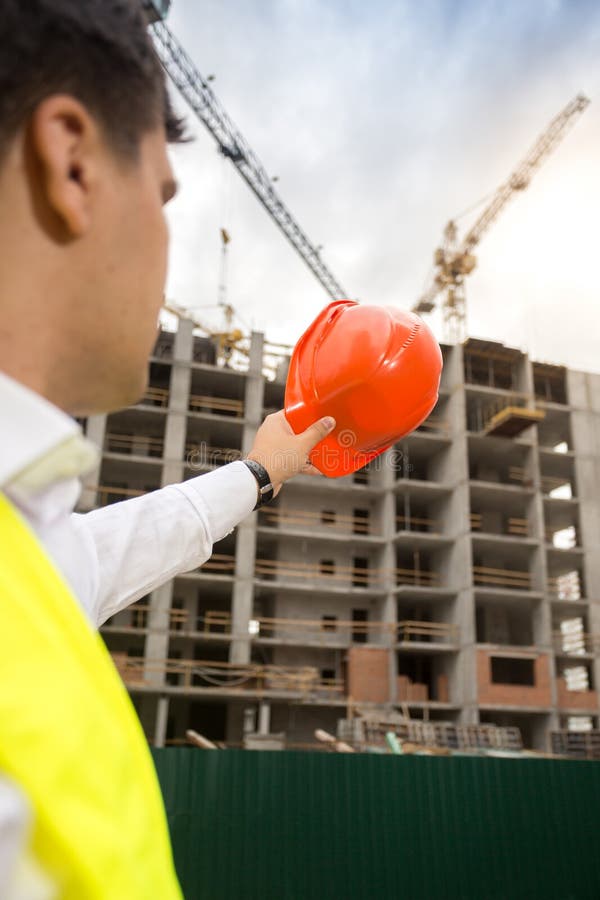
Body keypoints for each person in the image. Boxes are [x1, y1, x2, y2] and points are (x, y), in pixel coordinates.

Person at [0, 1, 335, 897]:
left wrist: (257, 474)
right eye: (162, 193)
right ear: (71, 162)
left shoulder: (22, 547)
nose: (164, 239)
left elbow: (92, 559)